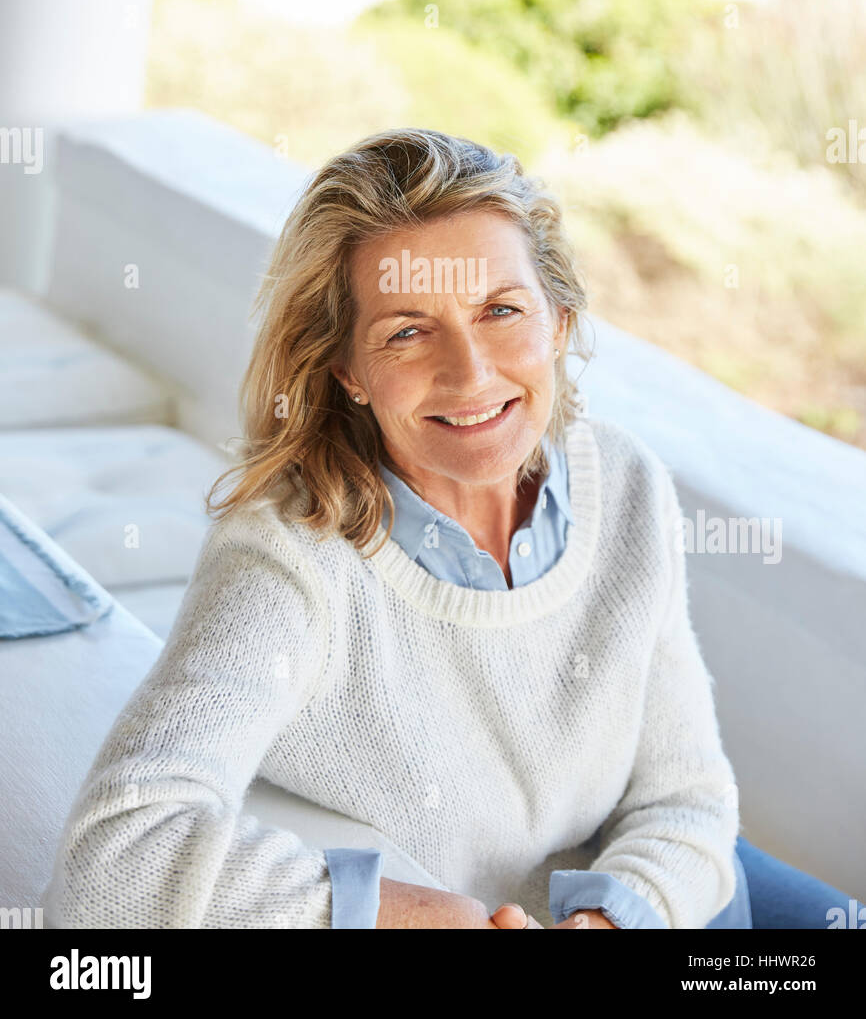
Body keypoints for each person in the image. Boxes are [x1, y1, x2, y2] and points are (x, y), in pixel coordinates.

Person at [44, 129, 858, 929]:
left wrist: (609, 922)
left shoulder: (628, 483)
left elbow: (686, 799)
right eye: (405, 330)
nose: (469, 374)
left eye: (501, 310)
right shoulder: (293, 551)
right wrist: (409, 917)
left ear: (560, 323)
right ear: (347, 371)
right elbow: (119, 857)